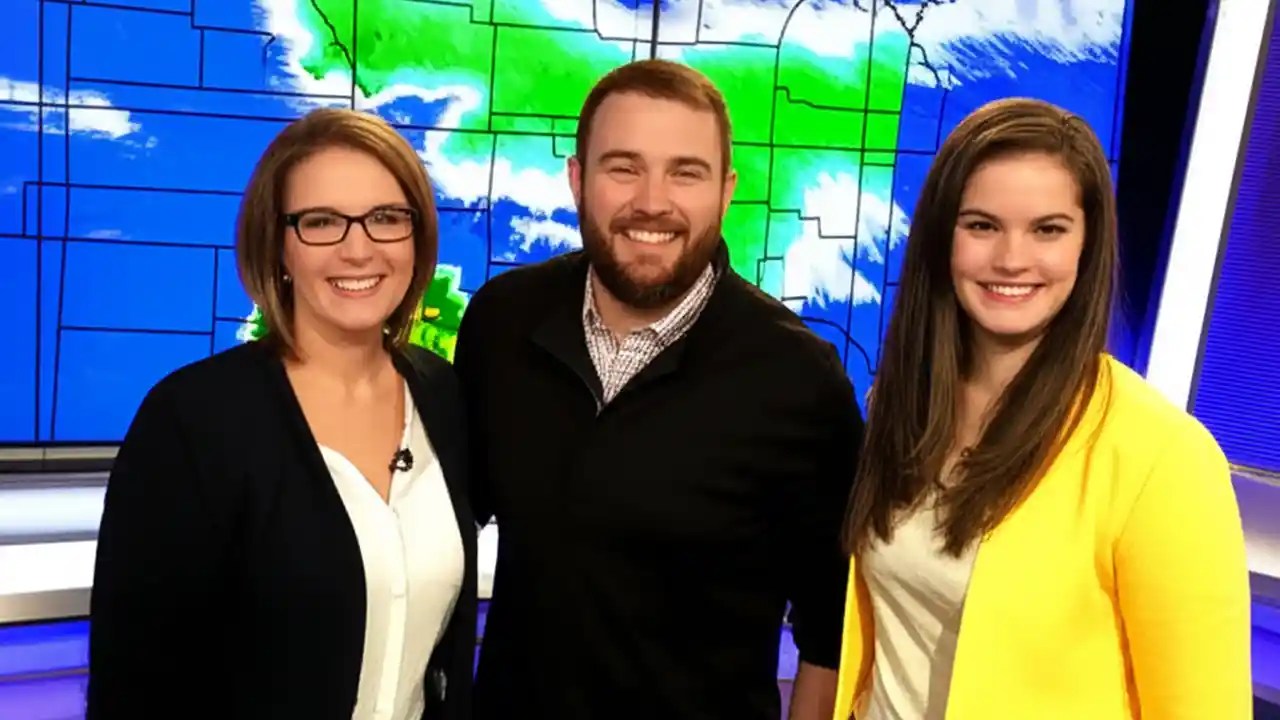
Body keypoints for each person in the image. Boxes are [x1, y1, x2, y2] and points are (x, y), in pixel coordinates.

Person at [452, 59, 864, 719]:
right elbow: (440, 528)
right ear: (577, 179)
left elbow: (831, 628)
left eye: (686, 171)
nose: (652, 201)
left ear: (726, 191)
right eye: (623, 167)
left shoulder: (799, 380)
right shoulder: (502, 322)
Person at [834, 97, 1251, 719]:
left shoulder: (1162, 458)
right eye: (981, 225)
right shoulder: (901, 405)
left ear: (1087, 245)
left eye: (1047, 229)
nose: (1011, 259)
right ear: (942, 238)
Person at [86, 108, 475, 720]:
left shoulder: (443, 396)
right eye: (321, 222)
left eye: (385, 219)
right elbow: (135, 684)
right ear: (279, 245)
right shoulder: (192, 420)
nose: (358, 248)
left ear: (416, 237)